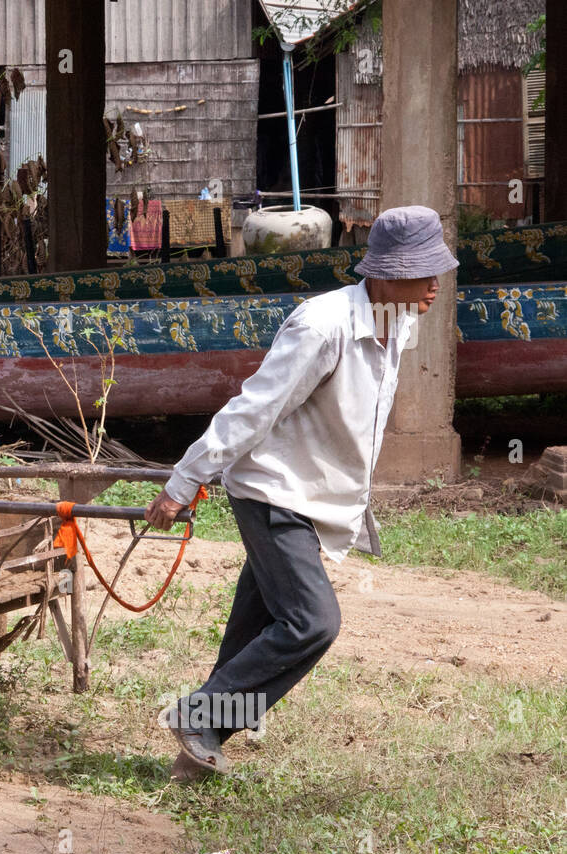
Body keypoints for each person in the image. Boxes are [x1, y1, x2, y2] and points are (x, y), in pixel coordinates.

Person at [144, 206, 459, 780]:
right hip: (273, 492)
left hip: (315, 496)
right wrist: (184, 481)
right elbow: (255, 408)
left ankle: (199, 748)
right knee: (313, 622)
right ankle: (198, 714)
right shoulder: (322, 325)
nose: (435, 283)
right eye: (421, 272)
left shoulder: (398, 323)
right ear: (383, 274)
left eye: (437, 268)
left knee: (251, 632)